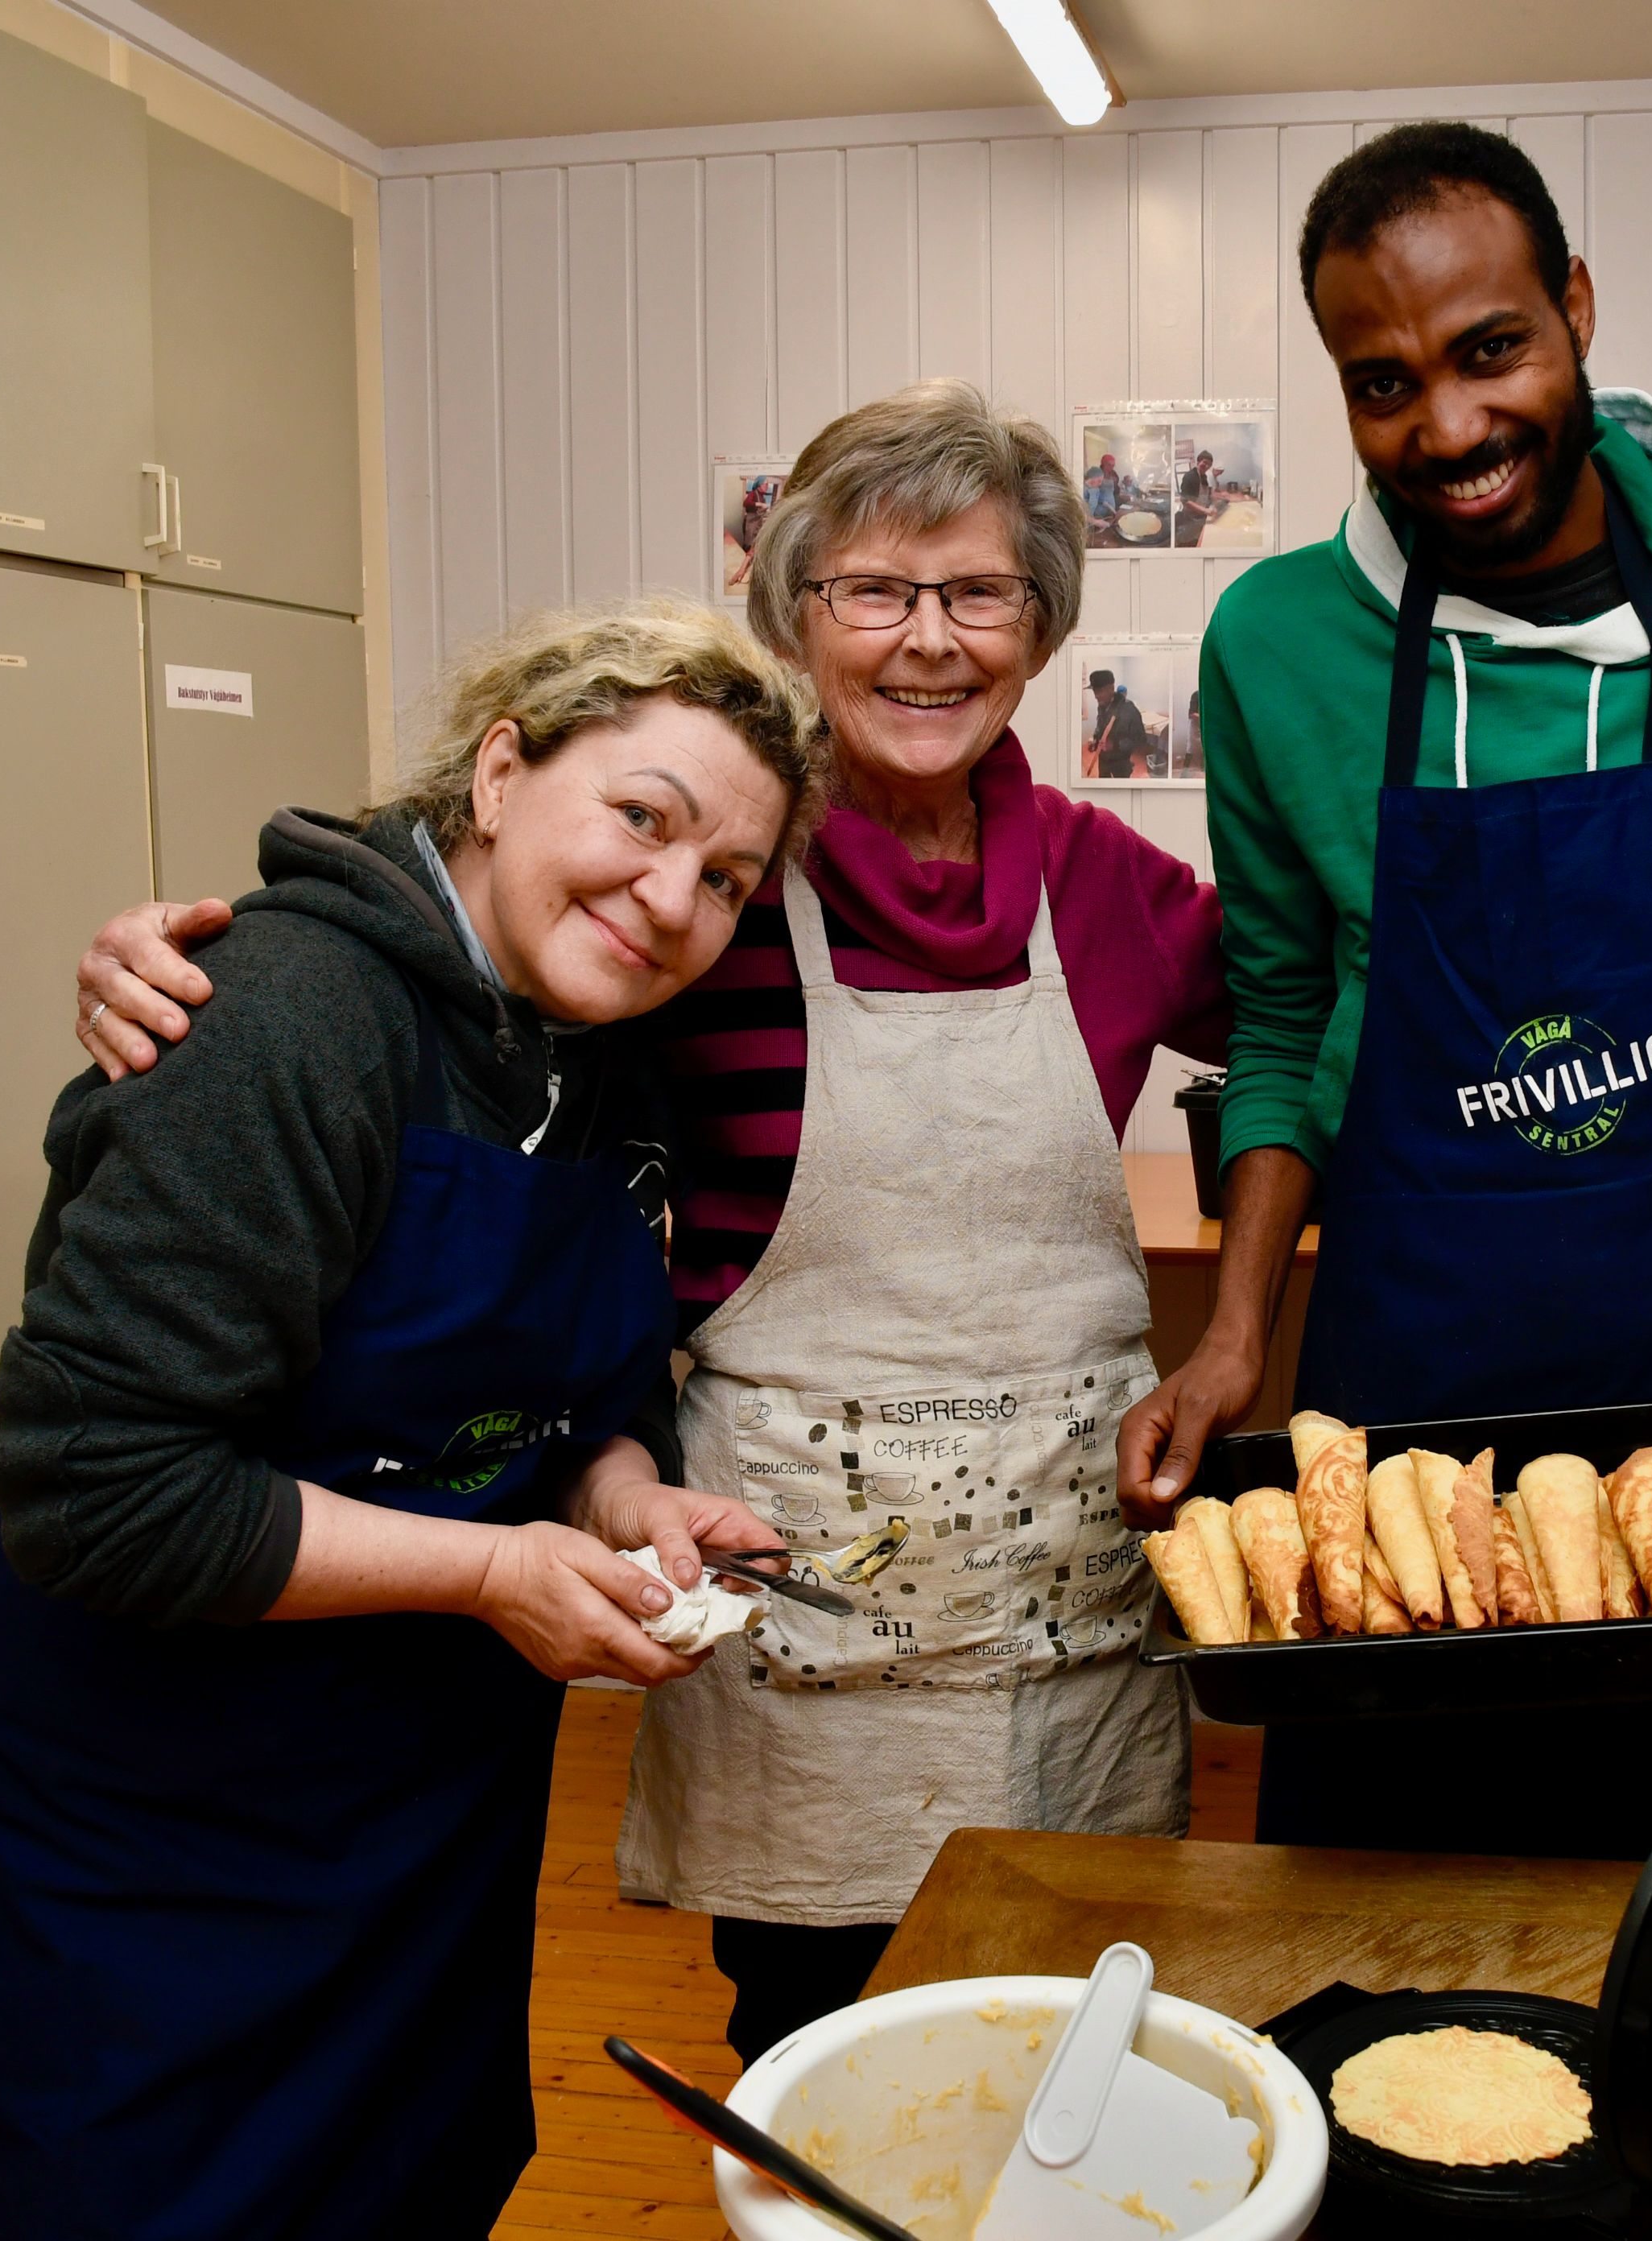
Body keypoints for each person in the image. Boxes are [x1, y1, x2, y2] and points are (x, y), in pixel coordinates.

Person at [71, 380, 1233, 2067]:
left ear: (1040, 631)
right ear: (796, 616)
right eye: (873, 592)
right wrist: (183, 971)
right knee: (828, 2066)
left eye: (979, 593)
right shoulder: (714, 880)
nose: (928, 642)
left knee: (1081, 2055)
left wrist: (1256, 1319)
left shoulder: (1111, 887)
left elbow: (1311, 1026)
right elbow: (451, 972)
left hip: (1071, 1634)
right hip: (804, 1638)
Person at [1117, 122, 1652, 1859]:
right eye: (1384, 381)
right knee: (1374, 1971)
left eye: (1491, 349)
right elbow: (1279, 1020)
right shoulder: (1278, 647)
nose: (1447, 427)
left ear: (1576, 307)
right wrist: (1234, 1336)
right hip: (1402, 1425)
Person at [0, 603, 818, 2238]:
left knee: (402, 2183)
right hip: (150, 1792)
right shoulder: (287, 1018)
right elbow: (105, 1492)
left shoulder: (601, 1060)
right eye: (644, 817)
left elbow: (589, 1390)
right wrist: (491, 1577)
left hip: (412, 1787)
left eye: (726, 879)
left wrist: (627, 1498)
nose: (672, 898)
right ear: (499, 769)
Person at [1086, 667, 1150, 780]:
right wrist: (1096, 740)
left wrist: (1115, 745)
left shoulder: (1129, 709)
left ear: (1111, 688)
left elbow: (1140, 739)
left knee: (1121, 792)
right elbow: (1100, 725)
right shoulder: (1102, 704)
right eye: (1095, 691)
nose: (1096, 696)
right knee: (1104, 787)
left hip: (1121, 762)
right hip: (1103, 759)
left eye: (1100, 691)